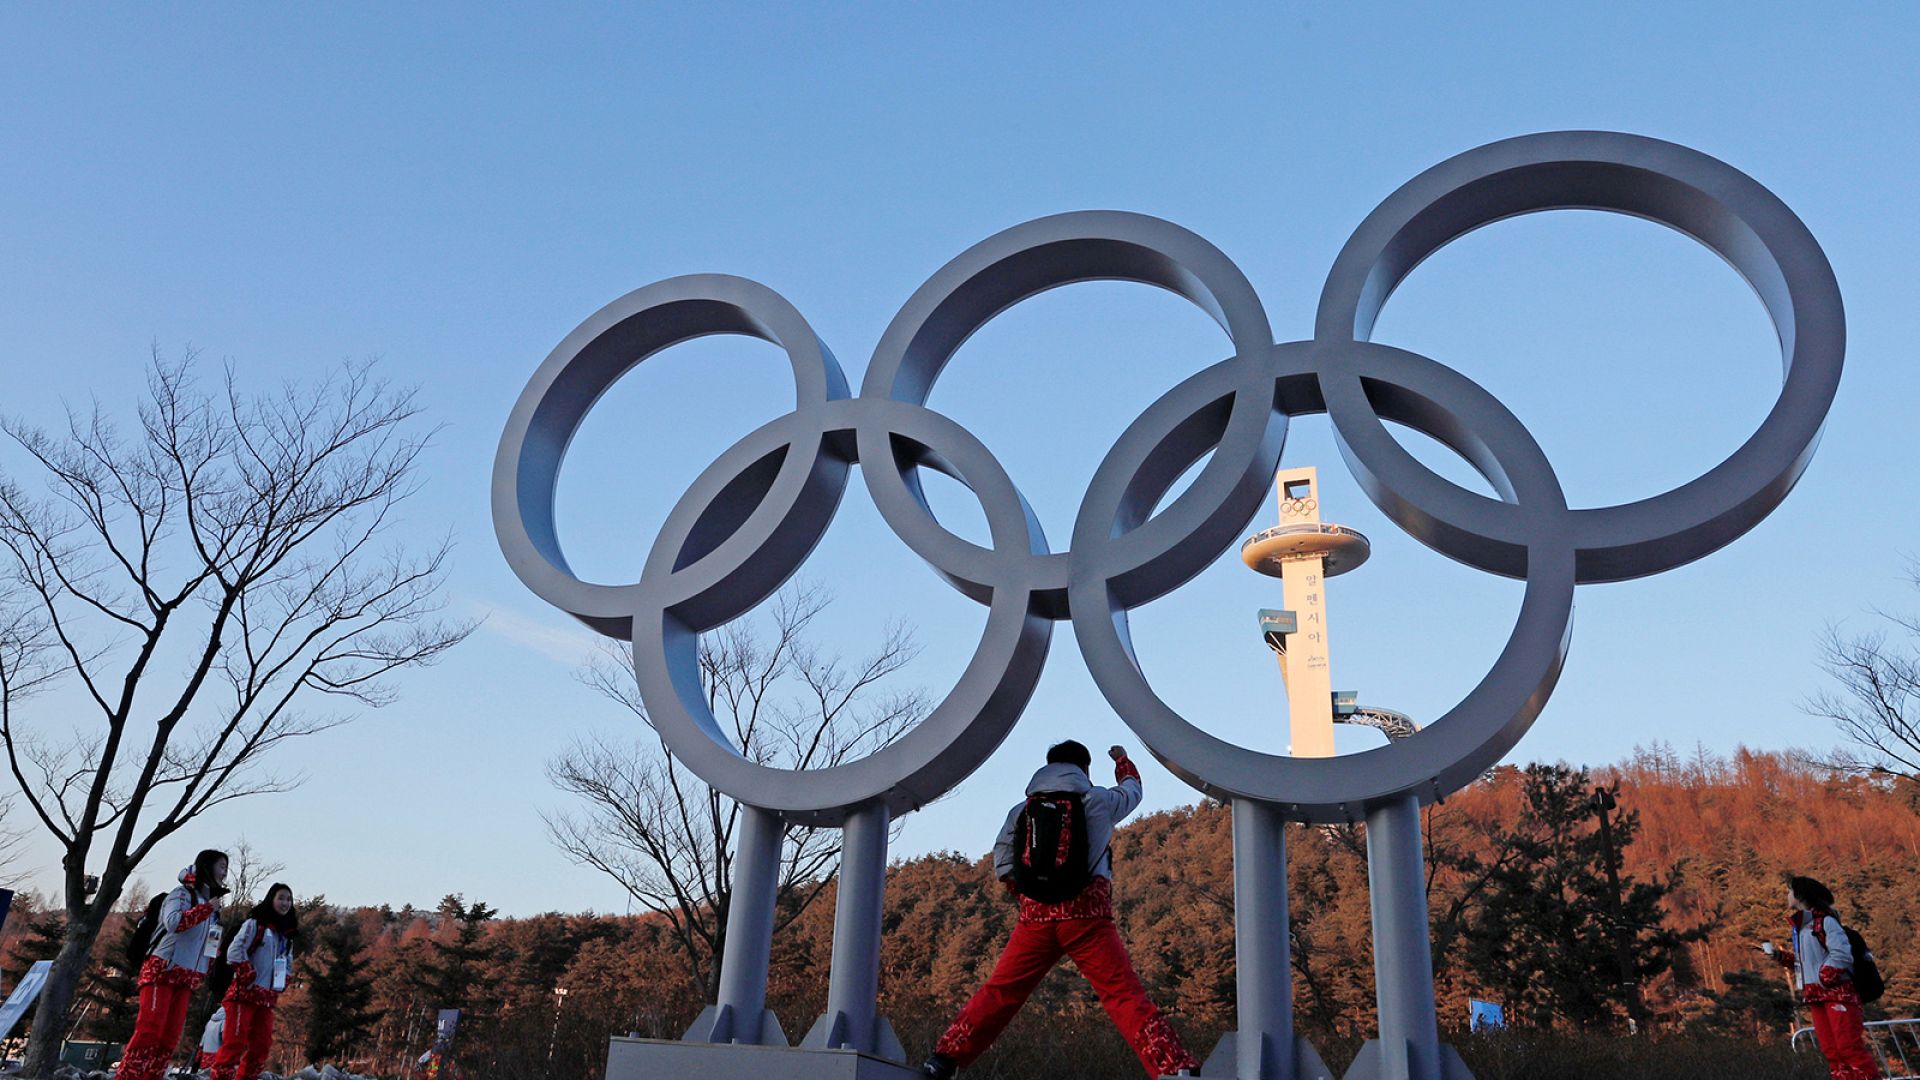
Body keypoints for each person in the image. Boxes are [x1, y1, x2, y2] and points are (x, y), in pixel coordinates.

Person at [921, 741, 1199, 1078]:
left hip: (1036, 921)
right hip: (1088, 919)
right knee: (1122, 995)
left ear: (1048, 766)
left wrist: (1026, 896)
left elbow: (1002, 860)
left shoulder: (1022, 810)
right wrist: (1122, 760)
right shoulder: (1098, 800)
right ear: (1084, 769)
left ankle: (944, 1060)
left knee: (1001, 992)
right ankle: (1173, 1068)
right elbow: (1133, 791)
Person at [117, 848, 229, 1080]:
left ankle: (152, 1076)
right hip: (162, 969)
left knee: (169, 1036)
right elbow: (173, 922)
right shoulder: (181, 894)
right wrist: (207, 908)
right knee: (150, 1030)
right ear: (207, 868)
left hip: (187, 976)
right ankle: (128, 1076)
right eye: (221, 866)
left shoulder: (213, 910)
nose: (225, 872)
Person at [1765, 875, 1882, 1080]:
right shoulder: (1801, 928)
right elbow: (1808, 964)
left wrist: (1825, 977)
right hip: (1816, 996)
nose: (1787, 895)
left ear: (1800, 895)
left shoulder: (1826, 921)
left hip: (1839, 995)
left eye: (1790, 891)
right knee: (1832, 1053)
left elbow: (1842, 954)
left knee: (1849, 1048)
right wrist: (1780, 957)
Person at [209, 881, 299, 1080]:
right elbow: (234, 950)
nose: (285, 903)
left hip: (267, 998)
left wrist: (284, 979)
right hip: (243, 995)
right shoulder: (255, 924)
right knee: (234, 1043)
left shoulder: (287, 936)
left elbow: (289, 963)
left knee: (261, 1047)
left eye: (289, 899)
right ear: (271, 900)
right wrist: (246, 972)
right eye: (281, 898)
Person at [196, 1005, 226, 1070]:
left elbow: (203, 1037)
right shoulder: (224, 1023)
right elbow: (225, 1038)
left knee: (203, 1073)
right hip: (216, 1054)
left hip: (205, 1052)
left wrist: (200, 1049)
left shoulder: (210, 1021)